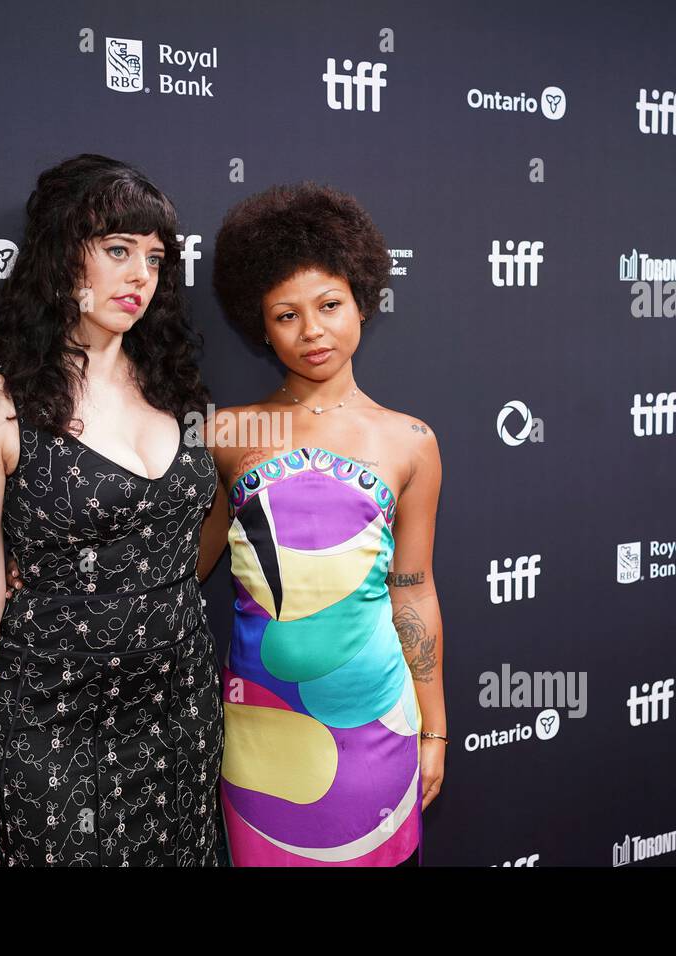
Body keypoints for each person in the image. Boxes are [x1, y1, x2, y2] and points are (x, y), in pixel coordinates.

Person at [0, 153, 225, 867]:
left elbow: (189, 539)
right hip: (54, 716)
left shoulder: (178, 394)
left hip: (180, 704)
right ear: (63, 255)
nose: (140, 277)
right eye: (118, 251)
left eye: (155, 259)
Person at [203, 181, 447, 865]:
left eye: (330, 305)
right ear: (260, 325)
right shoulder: (227, 433)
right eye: (286, 315)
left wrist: (434, 730)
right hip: (261, 731)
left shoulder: (411, 440)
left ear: (362, 299)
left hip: (378, 724)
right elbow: (182, 567)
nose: (312, 331)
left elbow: (415, 589)